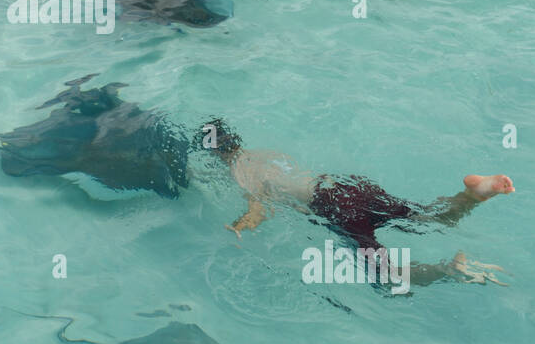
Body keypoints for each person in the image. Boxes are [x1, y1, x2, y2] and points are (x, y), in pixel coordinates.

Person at [204, 120, 512, 288]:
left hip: (334, 205)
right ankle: (475, 193)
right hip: (348, 185)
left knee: (386, 276)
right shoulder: (263, 153)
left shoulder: (240, 171)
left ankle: (449, 270)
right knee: (424, 217)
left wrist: (239, 227)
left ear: (215, 153)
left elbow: (259, 208)